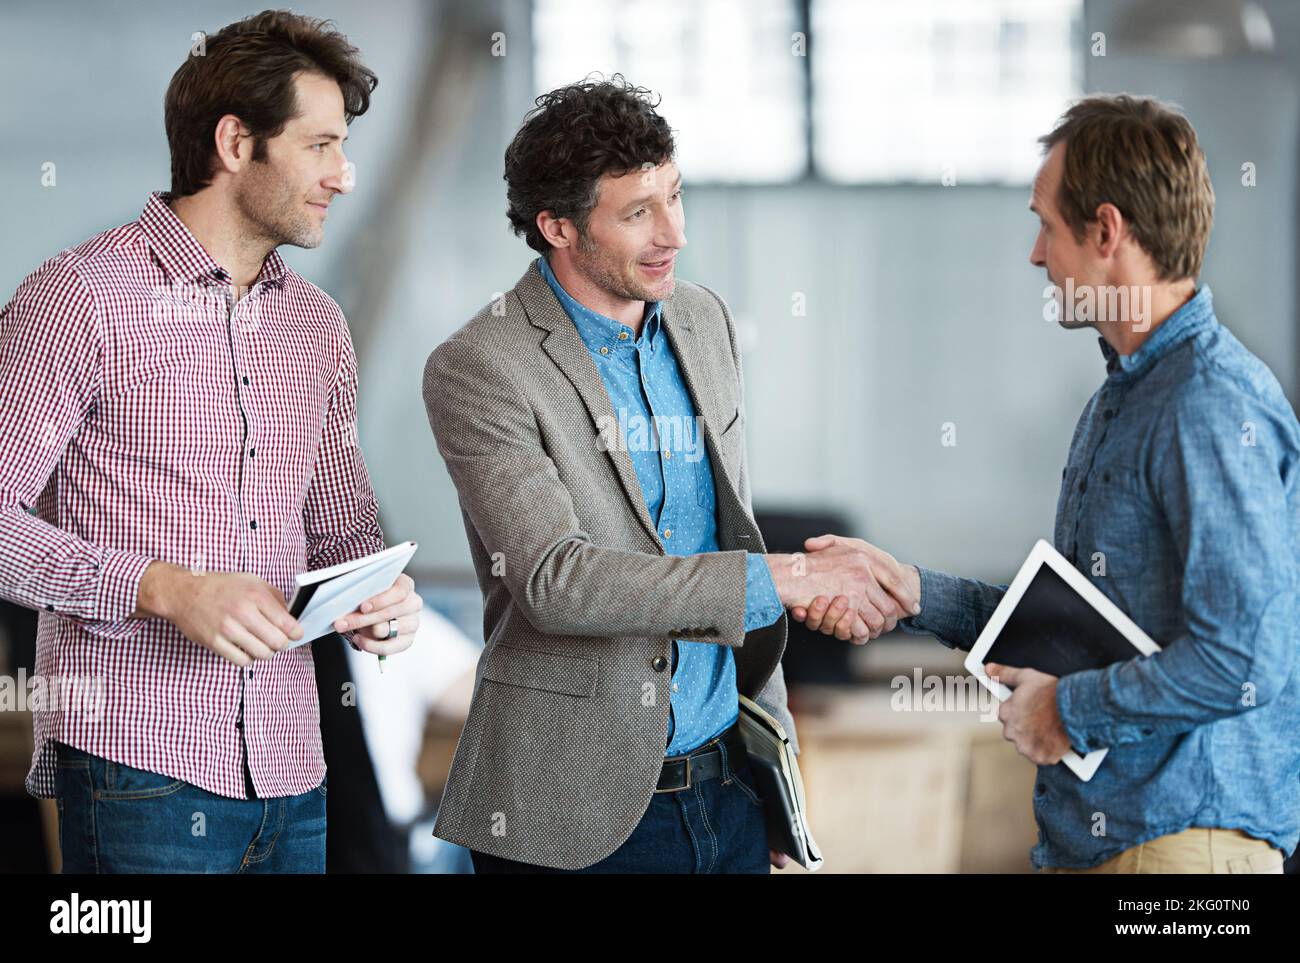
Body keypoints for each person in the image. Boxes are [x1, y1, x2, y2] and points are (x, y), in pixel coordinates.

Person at [422, 76, 916, 874]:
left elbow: (734, 535)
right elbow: (557, 581)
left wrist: (777, 786)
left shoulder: (703, 320)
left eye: (675, 197)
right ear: (556, 226)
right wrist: (785, 575)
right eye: (636, 214)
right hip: (571, 815)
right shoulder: (482, 367)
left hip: (728, 791)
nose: (672, 234)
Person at [797, 94, 1300, 874]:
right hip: (1116, 843)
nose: (1036, 255)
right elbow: (1073, 624)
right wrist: (910, 590)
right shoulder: (1124, 397)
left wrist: (1066, 711)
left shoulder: (1208, 402)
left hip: (1180, 851)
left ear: (1107, 231)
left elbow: (1244, 659)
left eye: (1046, 226)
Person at [0, 10, 419, 874]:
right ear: (237, 143)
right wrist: (161, 587)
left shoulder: (316, 326)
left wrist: (380, 596)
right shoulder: (78, 298)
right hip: (138, 768)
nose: (345, 174)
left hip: (295, 770)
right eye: (321, 145)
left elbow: (341, 528)